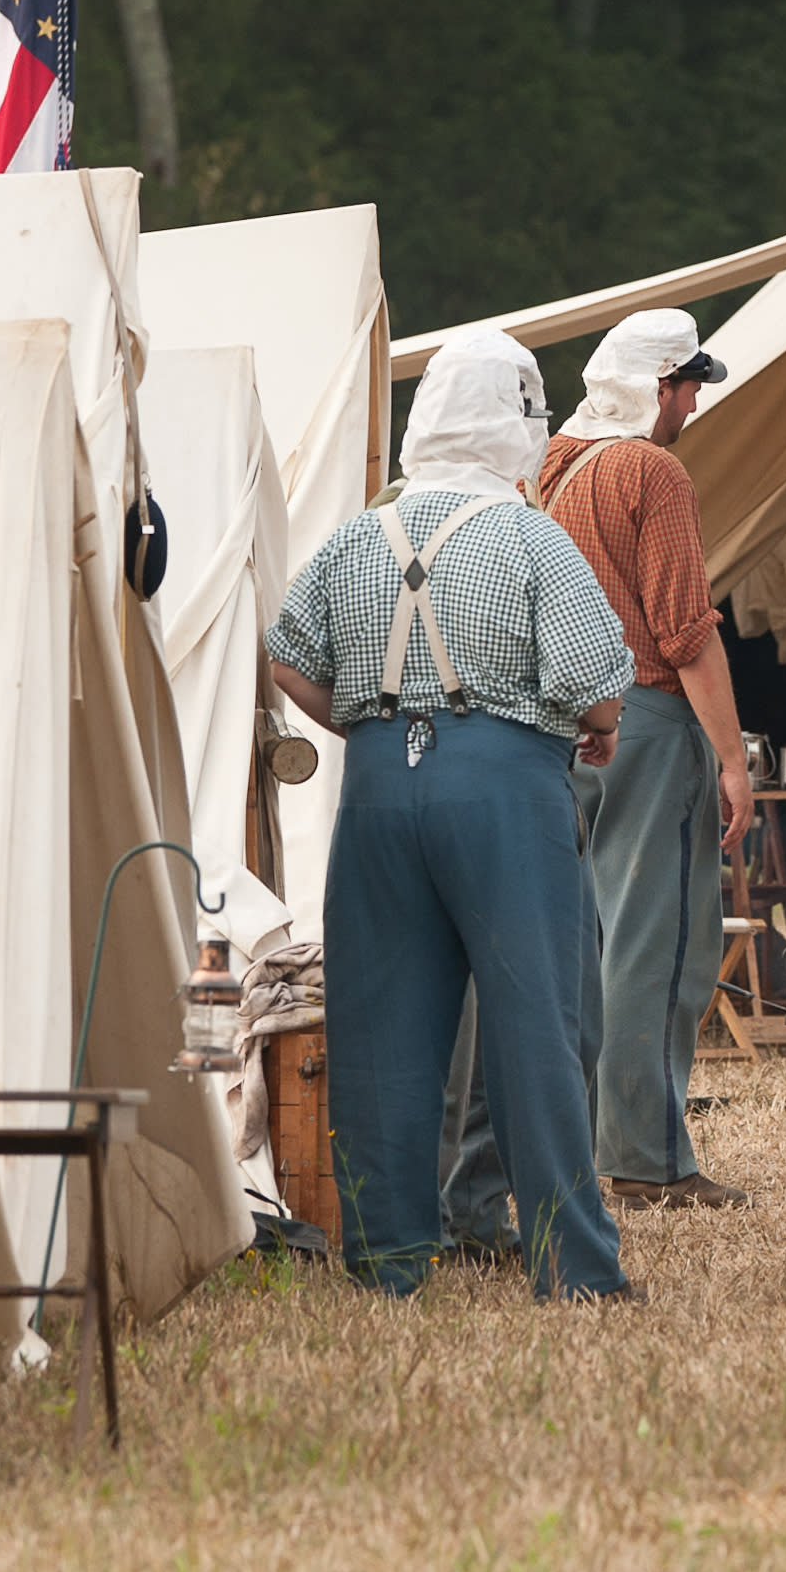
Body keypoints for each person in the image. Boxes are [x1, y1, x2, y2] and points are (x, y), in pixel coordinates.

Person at [264, 331, 638, 1302]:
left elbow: (288, 659)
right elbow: (598, 693)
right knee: (534, 1028)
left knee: (380, 1029)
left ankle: (388, 1258)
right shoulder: (527, 535)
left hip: (381, 784)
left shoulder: (355, 537)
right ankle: (571, 1265)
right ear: (518, 425)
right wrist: (574, 727)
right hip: (505, 782)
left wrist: (368, 728)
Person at [536, 307, 760, 1212]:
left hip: (569, 727)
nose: (696, 402)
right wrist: (734, 761)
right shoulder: (651, 470)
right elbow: (685, 631)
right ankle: (648, 1157)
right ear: (658, 386)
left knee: (589, 946)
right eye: (689, 384)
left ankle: (595, 1139)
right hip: (652, 723)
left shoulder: (549, 464)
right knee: (659, 944)